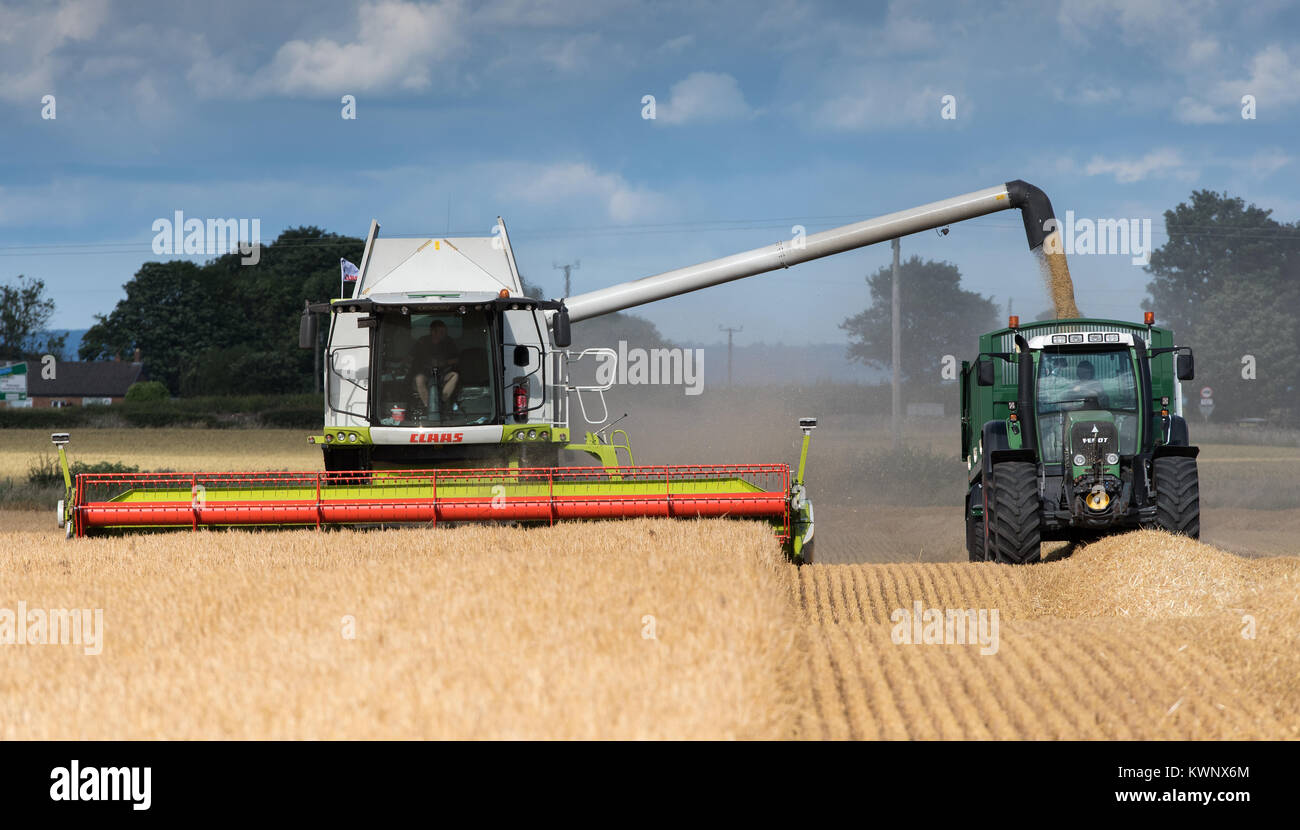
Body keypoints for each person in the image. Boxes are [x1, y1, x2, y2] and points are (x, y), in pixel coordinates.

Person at [411, 319, 460, 415]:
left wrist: (443, 362)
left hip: (443, 373)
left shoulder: (449, 342)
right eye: (441, 332)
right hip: (426, 373)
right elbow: (411, 357)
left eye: (445, 332)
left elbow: (457, 359)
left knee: (455, 376)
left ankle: (441, 404)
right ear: (433, 332)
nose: (444, 334)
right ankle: (428, 406)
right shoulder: (422, 341)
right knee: (419, 379)